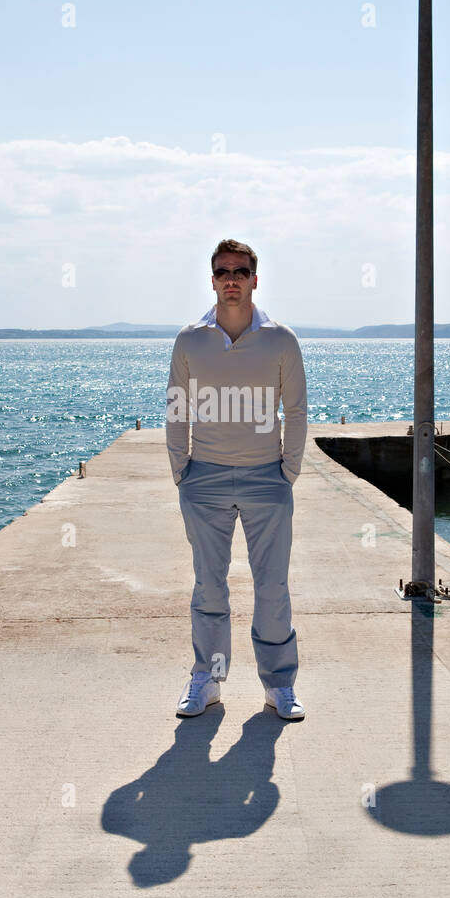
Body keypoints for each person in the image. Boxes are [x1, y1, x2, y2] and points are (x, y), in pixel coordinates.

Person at [165, 239, 307, 720]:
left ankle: (279, 684)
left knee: (272, 587)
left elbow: (297, 409)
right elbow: (176, 407)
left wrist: (287, 470)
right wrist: (180, 470)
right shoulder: (190, 340)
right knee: (210, 586)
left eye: (240, 272)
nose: (232, 280)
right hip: (203, 479)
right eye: (223, 272)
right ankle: (207, 678)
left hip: (267, 479)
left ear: (254, 279)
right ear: (212, 280)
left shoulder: (281, 339)